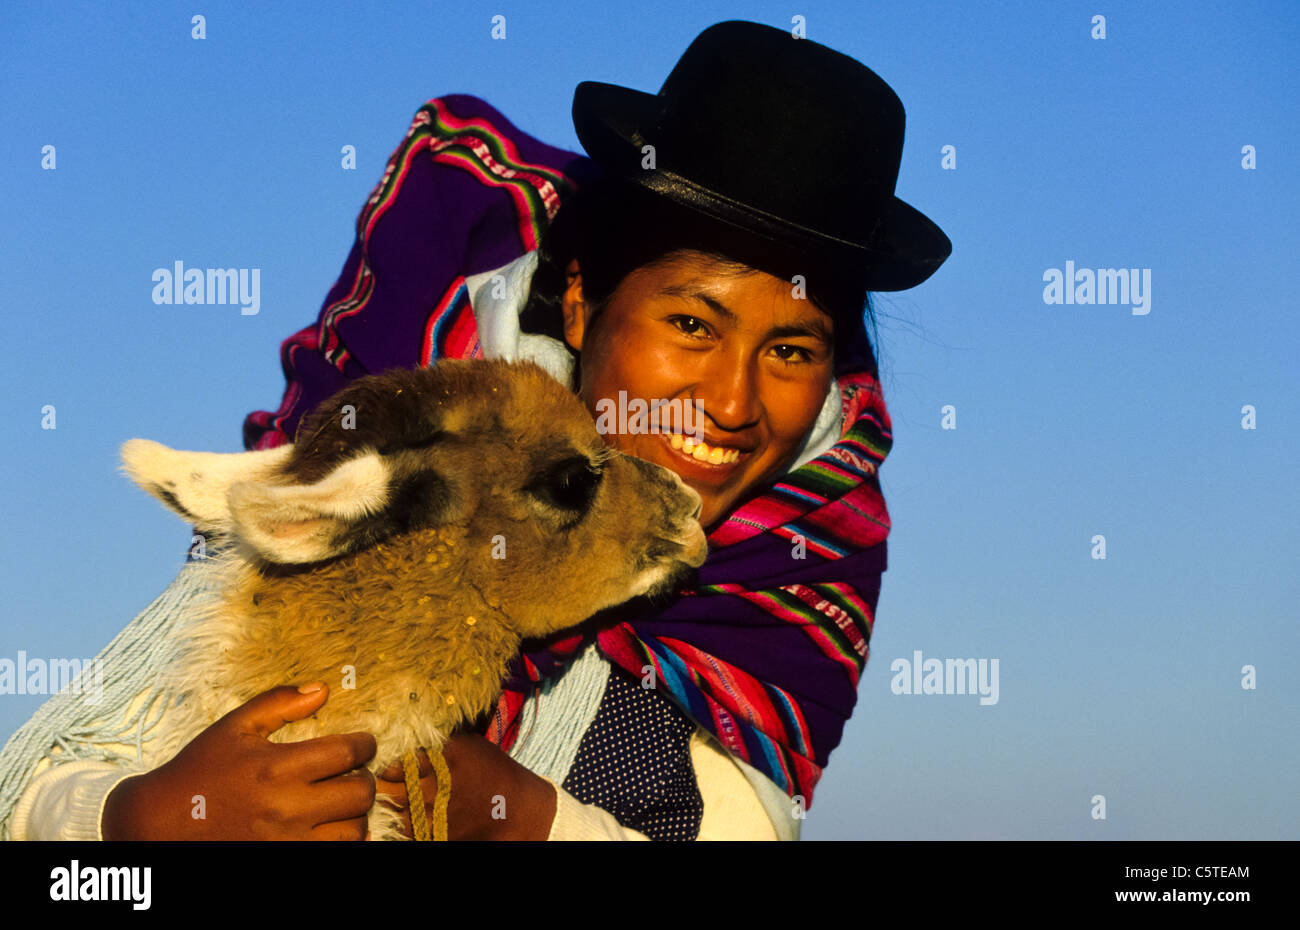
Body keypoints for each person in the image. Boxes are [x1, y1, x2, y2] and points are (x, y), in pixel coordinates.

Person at [1, 20, 950, 841]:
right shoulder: (399, 447)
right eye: (691, 325)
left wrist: (515, 810)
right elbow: (53, 776)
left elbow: (743, 822)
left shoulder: (806, 542)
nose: (735, 404)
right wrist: (138, 823)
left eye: (791, 351)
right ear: (580, 303)